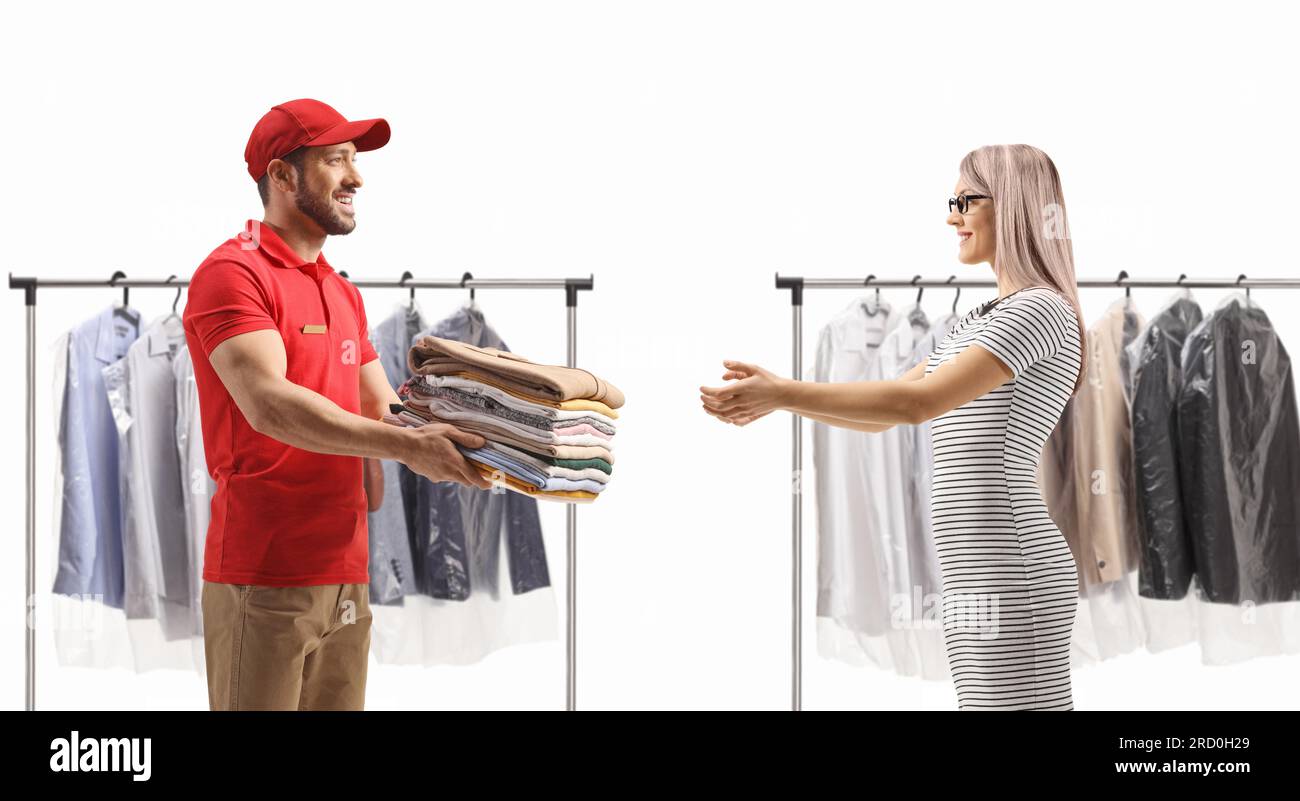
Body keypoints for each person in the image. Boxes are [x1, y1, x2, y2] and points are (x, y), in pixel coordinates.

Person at [700, 144, 1087, 710]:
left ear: (1013, 205)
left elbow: (918, 403)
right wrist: (779, 400)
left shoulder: (1038, 310)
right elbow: (887, 412)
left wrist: (782, 391)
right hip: (973, 567)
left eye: (964, 200)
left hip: (1009, 565)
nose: (951, 216)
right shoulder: (983, 320)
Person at [182, 98, 492, 711]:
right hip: (264, 573)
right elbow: (267, 403)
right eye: (335, 160)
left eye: (354, 160)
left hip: (347, 569)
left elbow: (386, 409)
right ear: (281, 175)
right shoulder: (232, 274)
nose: (356, 177)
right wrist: (407, 445)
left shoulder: (341, 291)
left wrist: (506, 433)